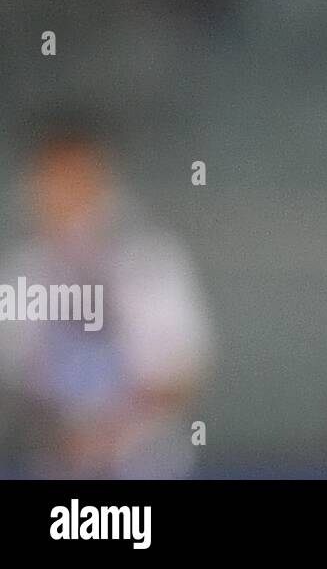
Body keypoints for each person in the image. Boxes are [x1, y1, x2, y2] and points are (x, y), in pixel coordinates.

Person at [0, 113, 215, 478]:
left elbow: (186, 368)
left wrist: (114, 427)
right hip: (51, 465)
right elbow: (19, 372)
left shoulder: (151, 261)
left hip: (146, 466)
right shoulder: (22, 271)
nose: (62, 195)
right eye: (52, 180)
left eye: (75, 179)